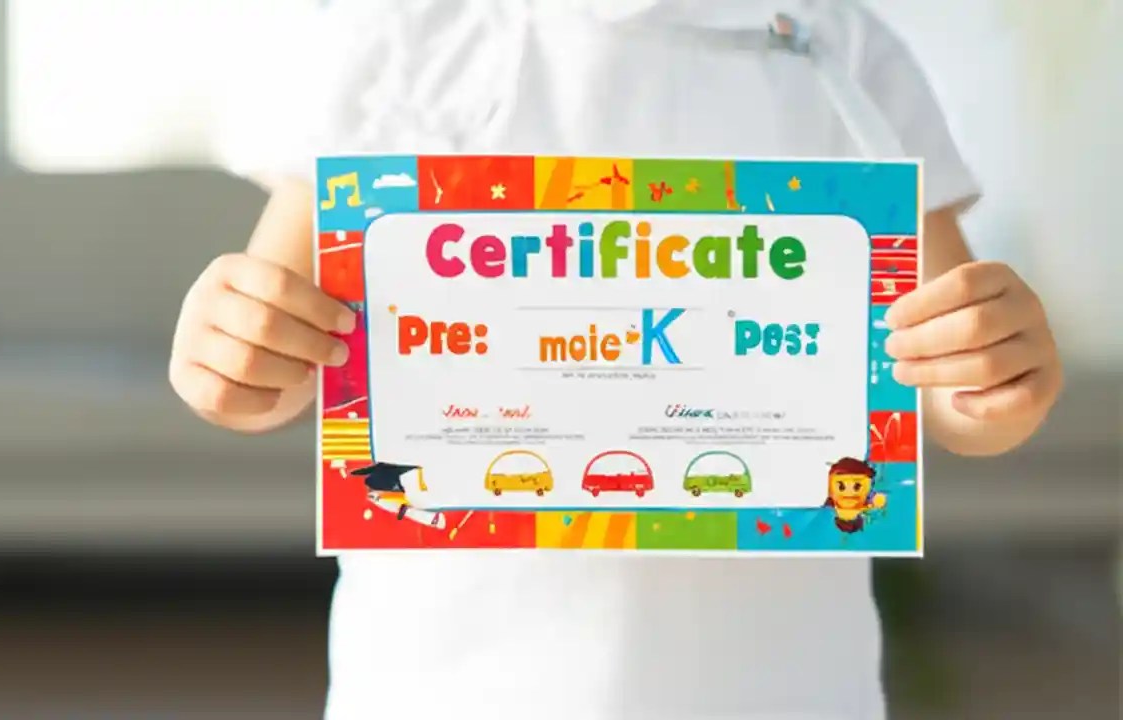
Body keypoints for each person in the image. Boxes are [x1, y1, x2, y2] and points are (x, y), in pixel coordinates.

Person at [168, 1, 1063, 718]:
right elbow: (277, 355)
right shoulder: (388, 39)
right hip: (443, 681)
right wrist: (231, 354)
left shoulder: (836, 43)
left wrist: (997, 383)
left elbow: (949, 380)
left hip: (781, 684)